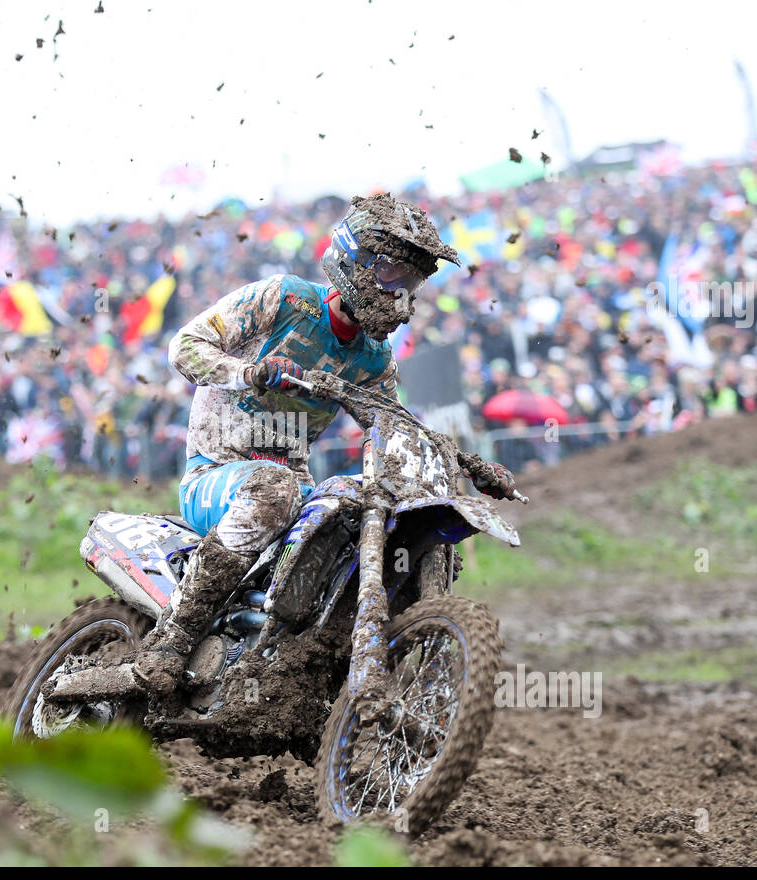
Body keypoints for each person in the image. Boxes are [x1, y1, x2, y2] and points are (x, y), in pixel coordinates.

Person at [132, 193, 517, 694]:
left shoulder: (375, 358)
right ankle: (173, 638)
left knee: (352, 515)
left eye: (412, 283)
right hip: (217, 472)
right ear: (356, 259)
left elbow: (392, 420)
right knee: (274, 489)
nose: (402, 295)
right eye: (393, 276)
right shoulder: (284, 299)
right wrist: (249, 373)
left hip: (292, 487)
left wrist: (467, 464)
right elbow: (185, 345)